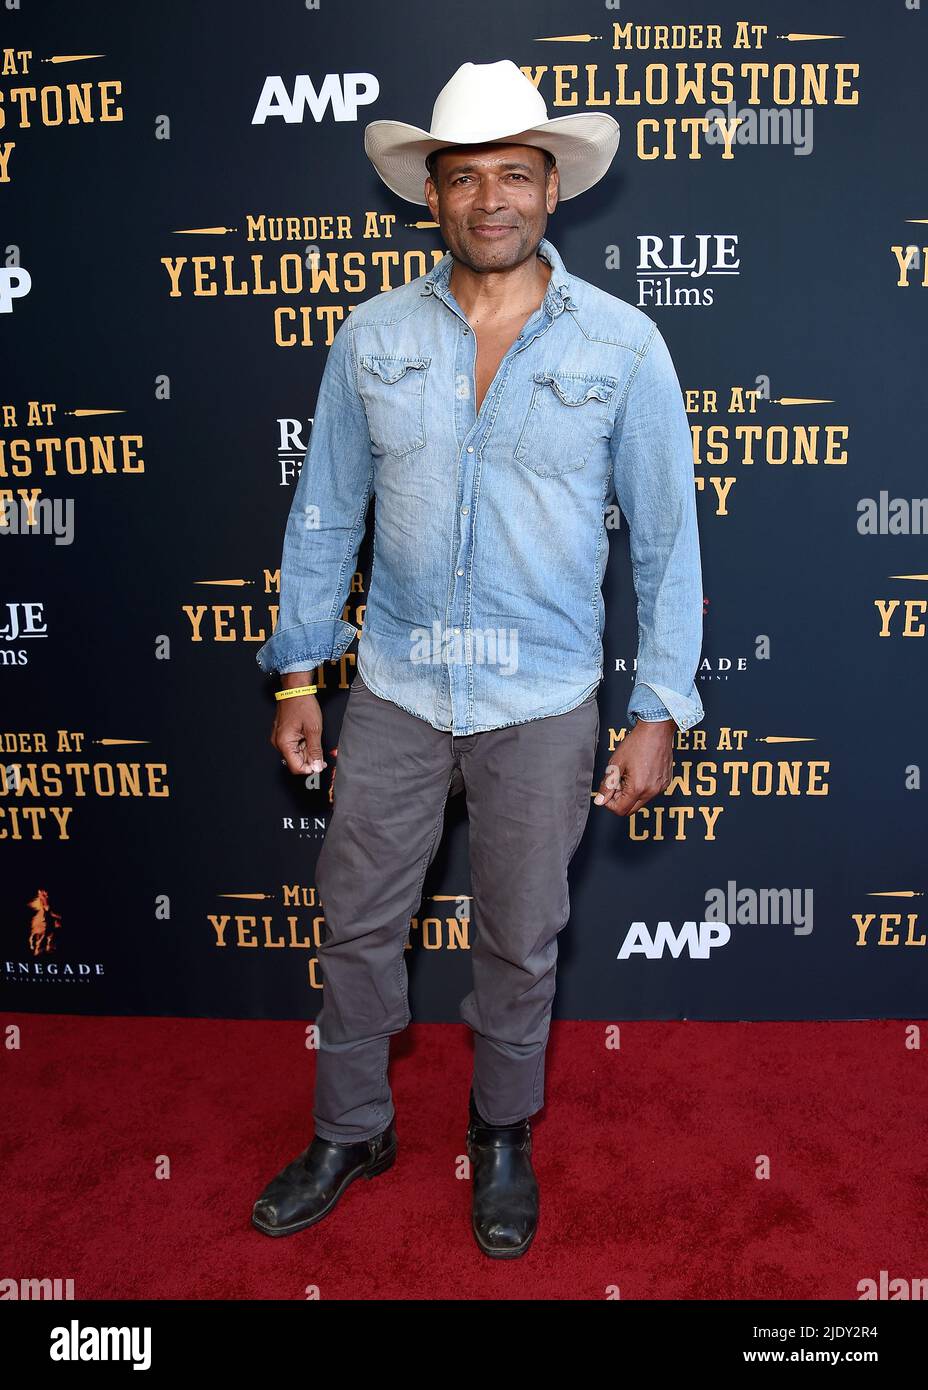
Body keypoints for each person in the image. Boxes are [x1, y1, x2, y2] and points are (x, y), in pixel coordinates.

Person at [251, 59, 705, 1258]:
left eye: (513, 174)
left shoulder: (623, 343)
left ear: (552, 189)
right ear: (431, 196)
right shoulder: (371, 335)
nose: (488, 198)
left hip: (544, 703)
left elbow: (665, 543)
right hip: (396, 688)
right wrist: (298, 672)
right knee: (356, 927)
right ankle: (351, 1129)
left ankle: (499, 1135)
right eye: (463, 178)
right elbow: (323, 513)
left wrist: (658, 705)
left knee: (518, 937)